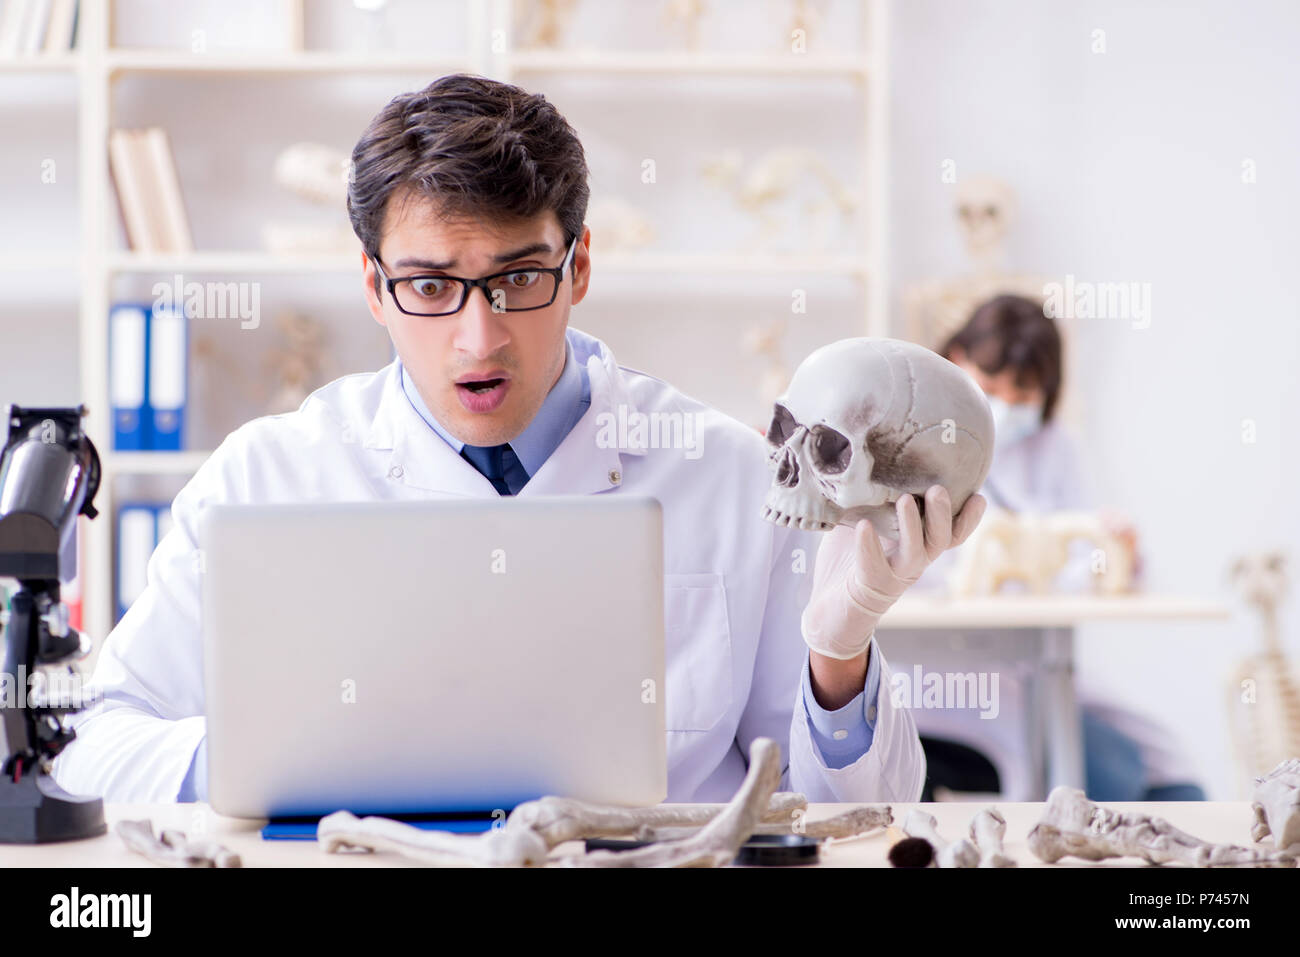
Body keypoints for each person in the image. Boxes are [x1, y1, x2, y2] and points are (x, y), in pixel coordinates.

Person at [52, 74, 985, 806]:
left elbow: (873, 812)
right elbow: (86, 745)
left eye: (518, 278)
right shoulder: (267, 478)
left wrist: (840, 652)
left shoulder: (728, 473)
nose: (479, 336)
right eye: (429, 286)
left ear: (579, 264)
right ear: (374, 288)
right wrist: (271, 751)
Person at [923, 294, 1204, 801]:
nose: (1004, 405)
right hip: (936, 675)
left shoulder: (1055, 447)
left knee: (1169, 768)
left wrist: (1115, 554)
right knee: (1110, 773)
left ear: (1048, 391)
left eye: (1023, 392)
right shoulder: (913, 446)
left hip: (1038, 664)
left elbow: (1084, 568)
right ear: (956, 361)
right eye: (989, 387)